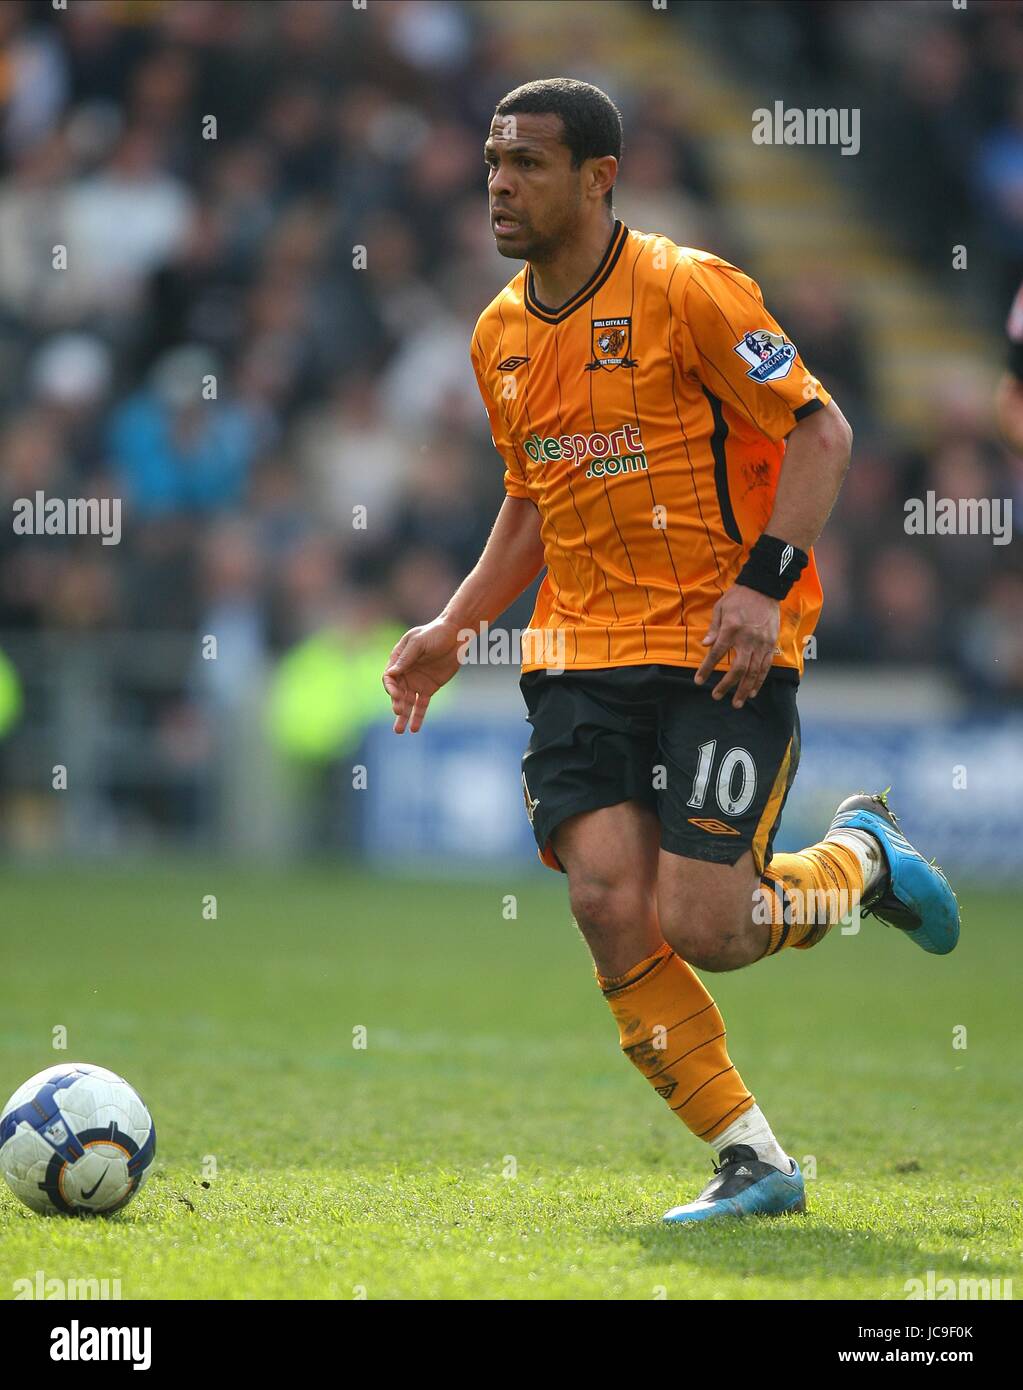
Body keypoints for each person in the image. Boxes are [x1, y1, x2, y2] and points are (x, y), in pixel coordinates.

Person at [382, 78, 960, 1224]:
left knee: (713, 923)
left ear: (600, 178)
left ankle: (864, 860)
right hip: (580, 653)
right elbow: (531, 503)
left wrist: (766, 580)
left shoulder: (688, 288)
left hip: (719, 645)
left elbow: (822, 430)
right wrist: (456, 624)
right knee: (606, 900)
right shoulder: (497, 335)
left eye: (529, 163)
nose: (500, 182)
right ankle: (753, 1158)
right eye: (494, 160)